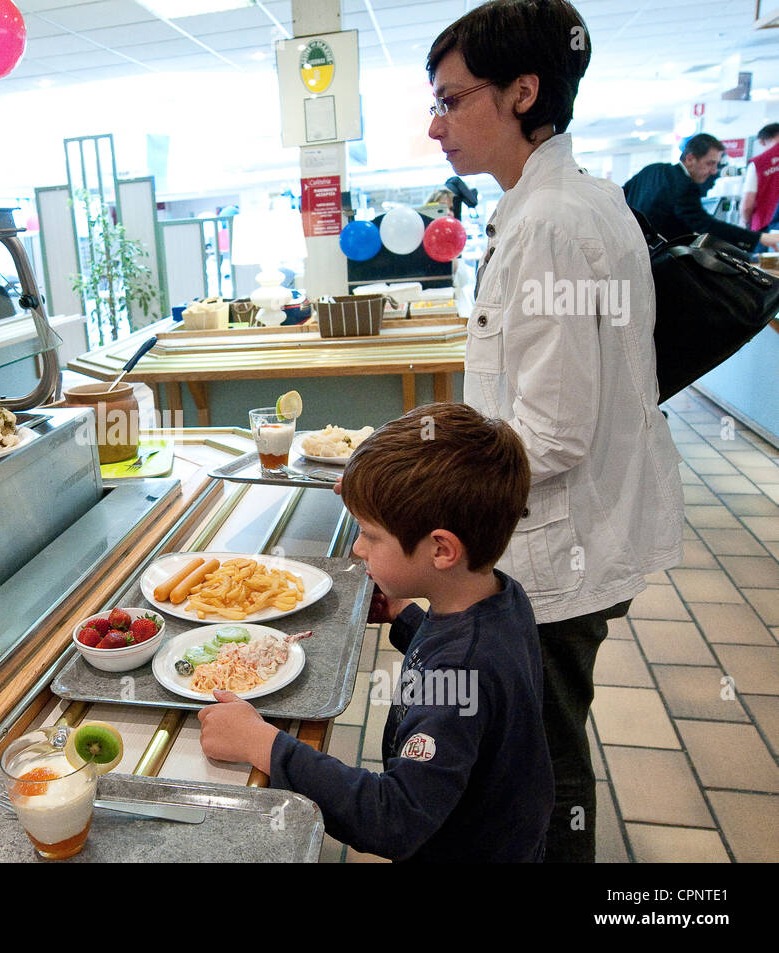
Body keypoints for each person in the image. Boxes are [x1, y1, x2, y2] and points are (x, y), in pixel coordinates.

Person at [424, 0, 683, 862]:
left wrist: (429, 497)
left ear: (524, 92)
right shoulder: (572, 202)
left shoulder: (552, 225)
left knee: (544, 758)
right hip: (577, 531)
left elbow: (556, 431)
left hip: (558, 548)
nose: (437, 125)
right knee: (538, 741)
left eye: (453, 99)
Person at [198, 403, 553, 862]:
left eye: (369, 534)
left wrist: (263, 745)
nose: (357, 547)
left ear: (441, 549)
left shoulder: (460, 673)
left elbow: (394, 817)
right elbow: (467, 658)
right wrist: (404, 616)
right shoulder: (500, 597)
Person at [623, 132, 779, 250]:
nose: (713, 171)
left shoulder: (652, 170)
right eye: (710, 163)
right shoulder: (684, 186)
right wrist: (759, 237)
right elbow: (707, 226)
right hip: (657, 259)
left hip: (629, 247)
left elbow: (621, 196)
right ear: (690, 159)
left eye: (716, 164)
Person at [741, 122, 779, 234]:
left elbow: (747, 205)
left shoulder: (758, 163)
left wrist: (745, 222)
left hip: (765, 226)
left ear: (762, 142)